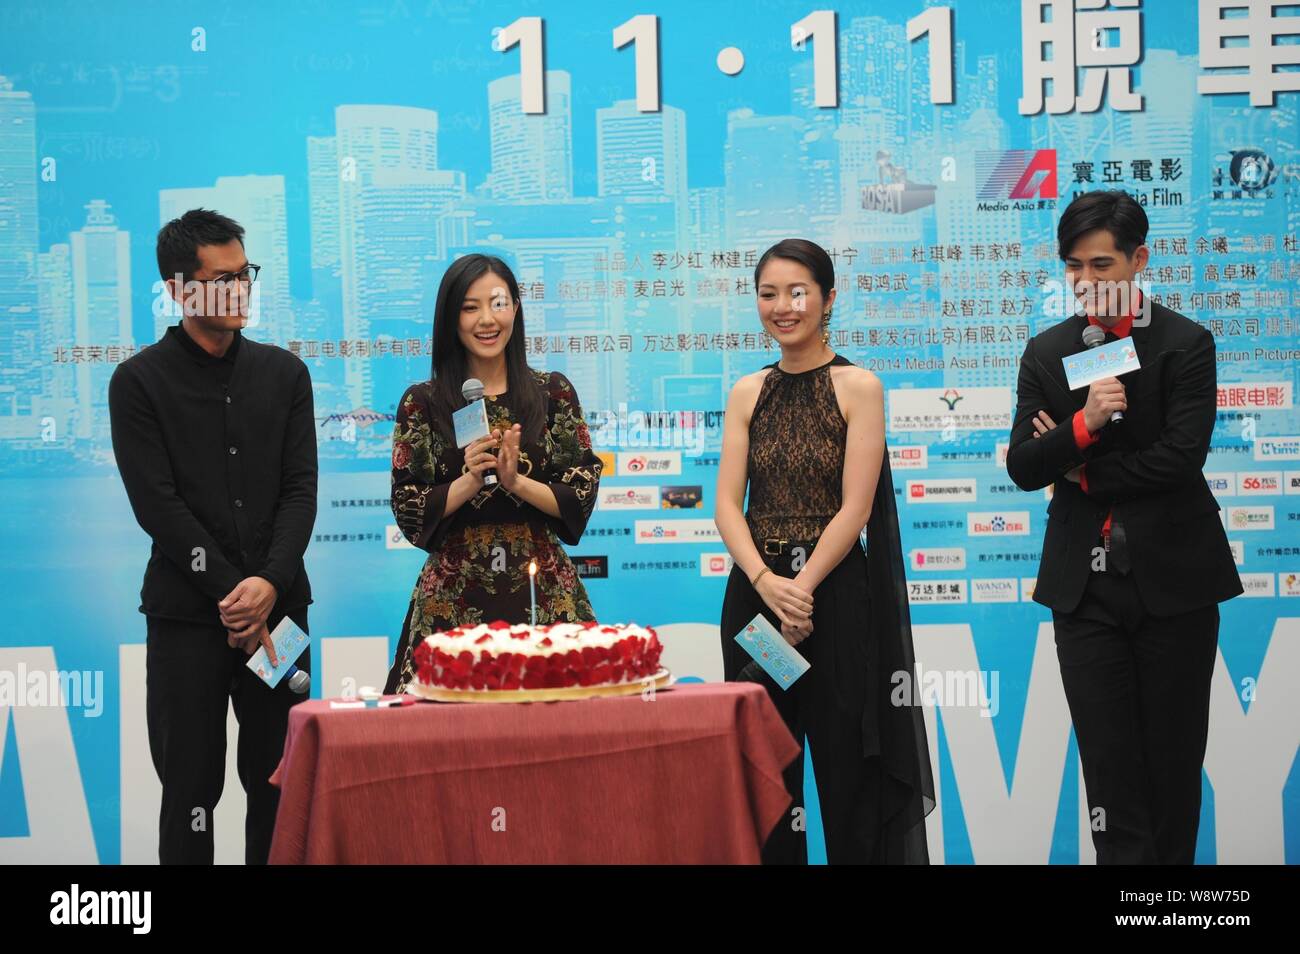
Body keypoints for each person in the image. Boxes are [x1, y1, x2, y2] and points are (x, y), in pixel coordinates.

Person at [1006, 190, 1242, 864]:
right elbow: (1025, 464)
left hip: (1177, 585)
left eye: (1103, 264)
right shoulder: (1048, 353)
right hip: (1086, 594)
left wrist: (1079, 468)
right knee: (1108, 774)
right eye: (1074, 266)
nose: (1088, 281)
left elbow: (1179, 458)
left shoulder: (1186, 343)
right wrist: (1085, 424)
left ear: (1139, 259)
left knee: (1171, 769)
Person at [715, 238, 934, 864]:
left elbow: (855, 510)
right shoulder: (747, 392)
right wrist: (767, 582)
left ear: (829, 298)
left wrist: (801, 588)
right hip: (757, 607)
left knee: (849, 776)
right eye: (768, 294)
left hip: (834, 602)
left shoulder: (859, 386)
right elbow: (728, 506)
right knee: (766, 779)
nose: (783, 306)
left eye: (798, 291)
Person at [109, 208, 317, 864]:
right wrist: (234, 592)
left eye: (245, 274)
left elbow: (300, 493)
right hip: (187, 621)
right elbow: (158, 507)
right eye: (222, 278)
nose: (240, 290)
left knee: (280, 781)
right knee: (192, 791)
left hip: (280, 619)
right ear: (176, 289)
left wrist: (268, 586)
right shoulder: (138, 383)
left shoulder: (285, 376)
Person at [383, 254, 603, 693]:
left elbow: (581, 491)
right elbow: (409, 509)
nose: (487, 319)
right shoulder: (422, 402)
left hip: (542, 589)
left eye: (498, 303)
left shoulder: (552, 392)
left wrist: (516, 482)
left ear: (516, 309)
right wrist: (468, 481)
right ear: (451, 318)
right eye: (470, 307)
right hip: (453, 596)